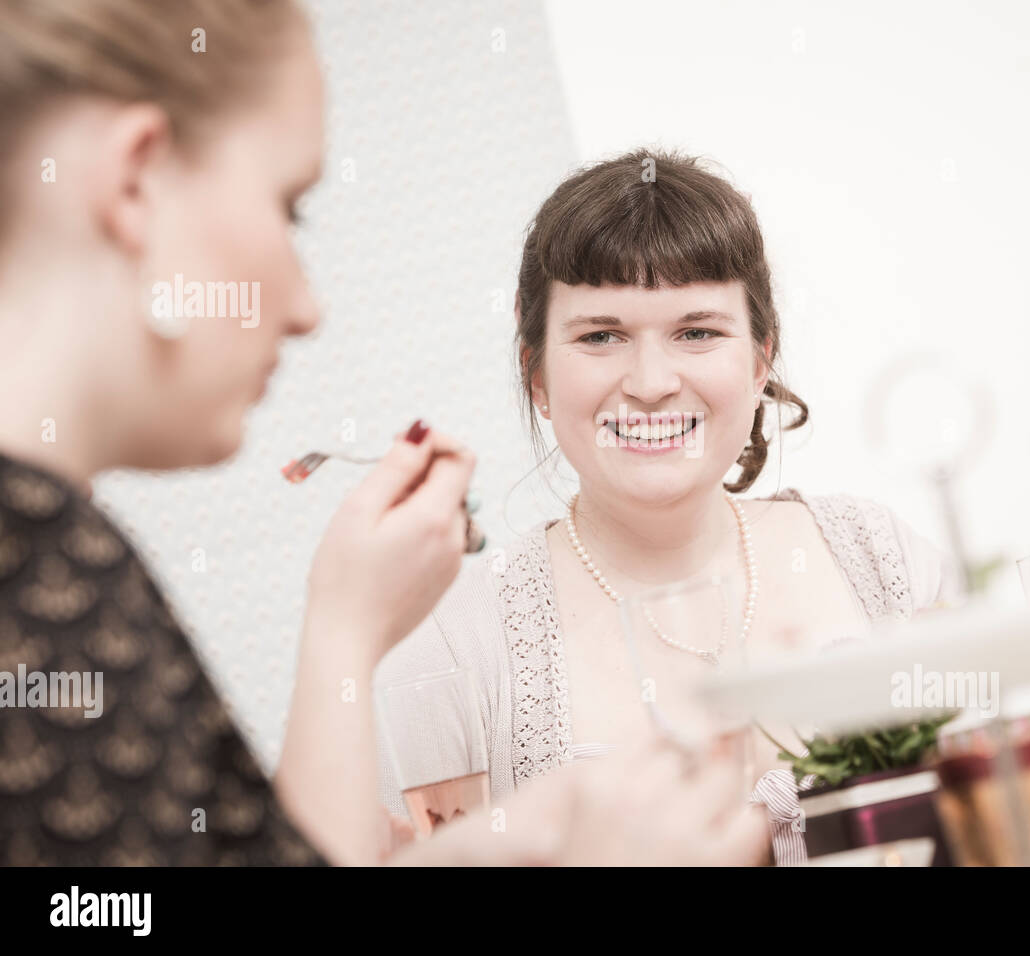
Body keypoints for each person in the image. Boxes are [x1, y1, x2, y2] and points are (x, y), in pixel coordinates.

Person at [0, 0, 767, 867]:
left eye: (698, 330)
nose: (304, 308)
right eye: (291, 209)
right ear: (136, 182)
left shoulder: (55, 546)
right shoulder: (35, 561)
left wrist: (525, 832)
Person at [376, 148, 954, 866]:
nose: (650, 381)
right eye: (600, 336)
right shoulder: (454, 646)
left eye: (697, 331)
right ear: (538, 378)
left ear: (760, 357)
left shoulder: (880, 555)